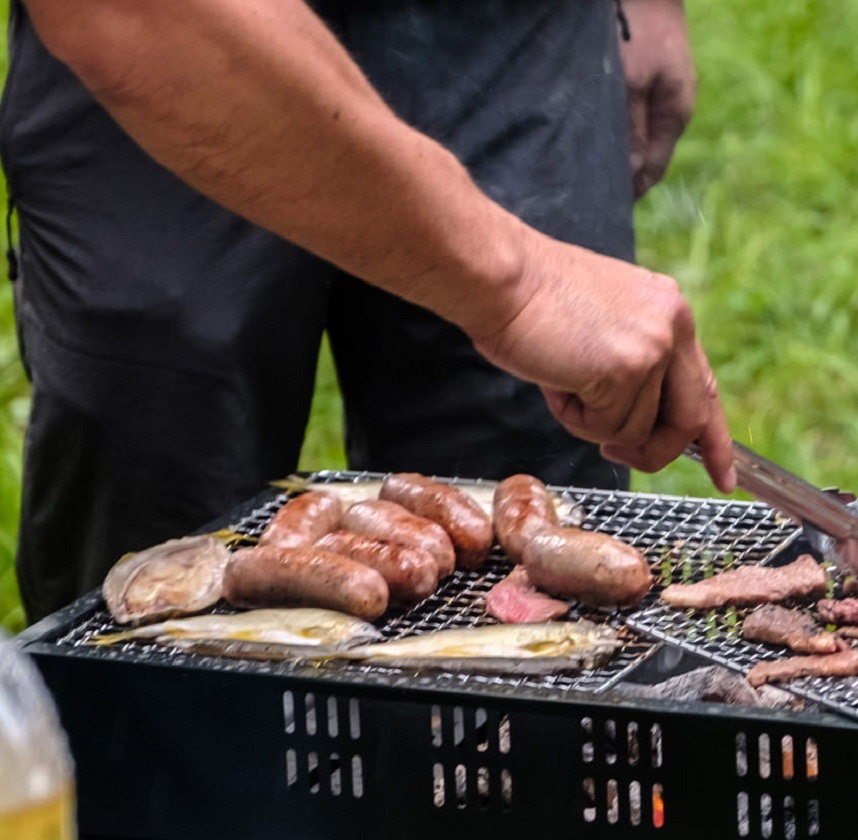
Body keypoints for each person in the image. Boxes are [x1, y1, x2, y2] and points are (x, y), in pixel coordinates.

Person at [2, 0, 736, 625]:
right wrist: (521, 286)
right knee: (160, 509)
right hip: (173, 37)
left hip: (506, 22)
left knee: (520, 477)